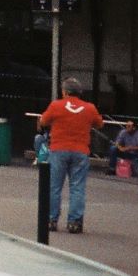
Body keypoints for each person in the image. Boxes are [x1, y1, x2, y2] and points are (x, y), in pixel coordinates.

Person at [38, 78, 105, 233]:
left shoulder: (56, 105)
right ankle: (74, 221)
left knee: (54, 186)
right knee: (77, 187)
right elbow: (99, 123)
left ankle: (50, 219)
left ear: (64, 91)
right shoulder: (89, 108)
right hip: (81, 151)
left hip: (59, 149)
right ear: (80, 92)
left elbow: (44, 121)